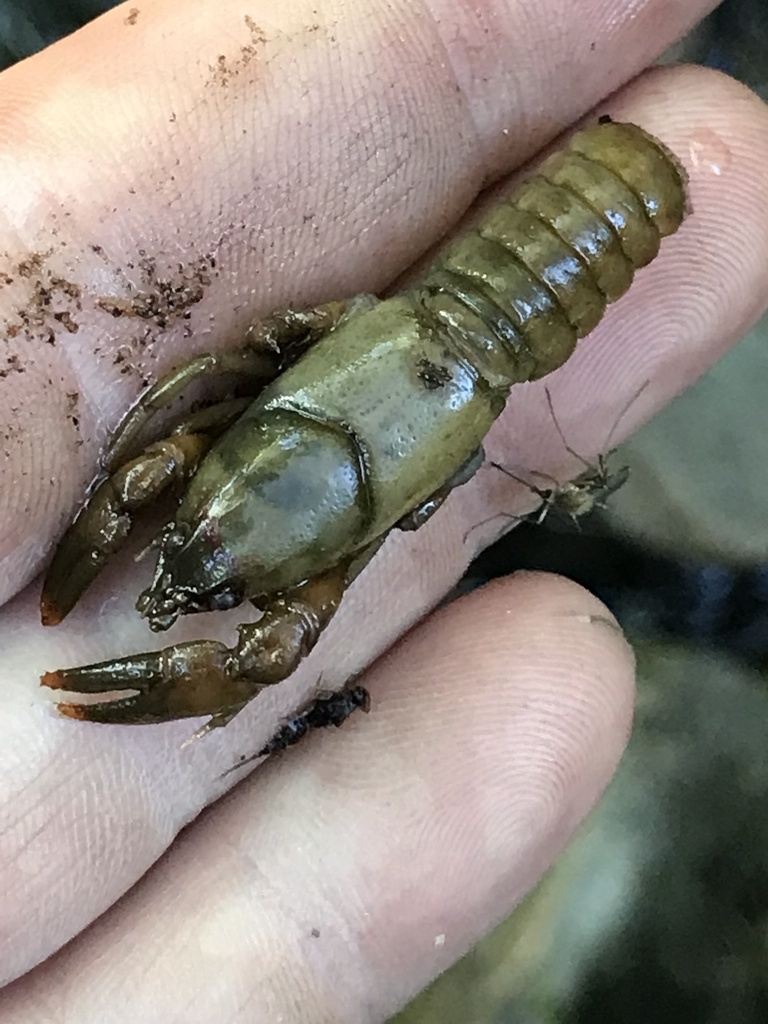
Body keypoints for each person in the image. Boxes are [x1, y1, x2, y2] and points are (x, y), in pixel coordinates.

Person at [0, 0, 766, 1020]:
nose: (178, 557)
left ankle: (640, 173)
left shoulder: (276, 461)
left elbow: (262, 636)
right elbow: (260, 587)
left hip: (531, 273)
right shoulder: (278, 466)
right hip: (442, 323)